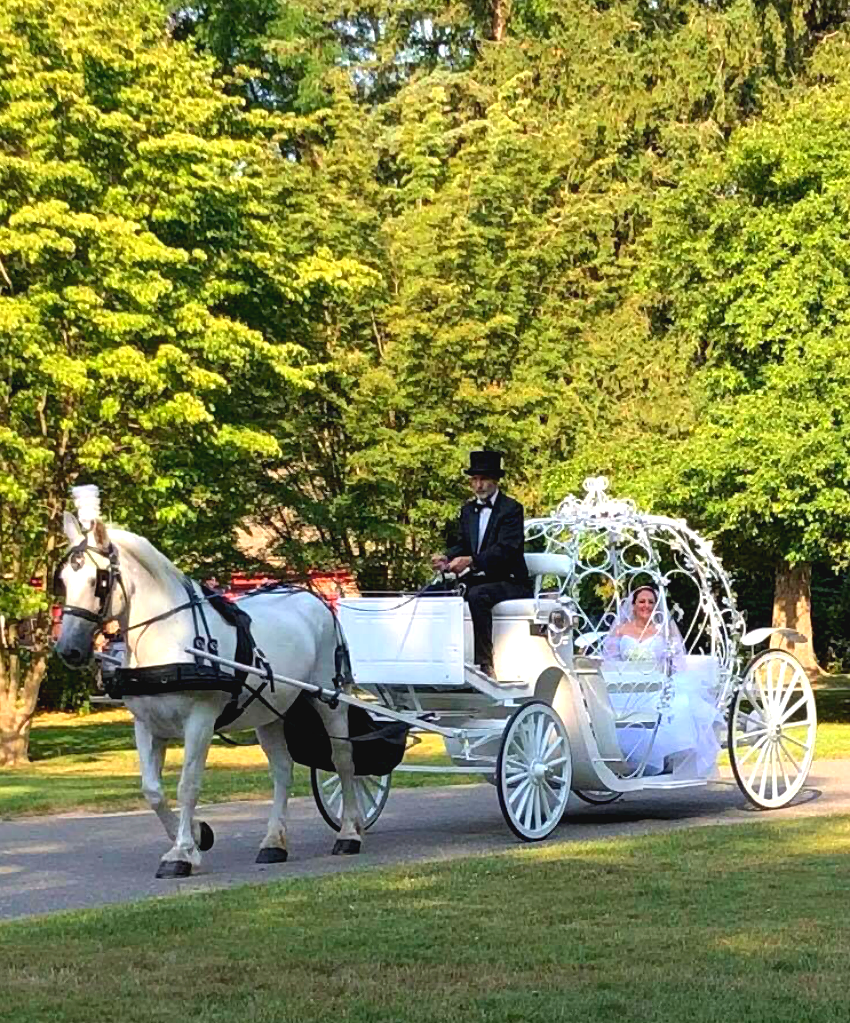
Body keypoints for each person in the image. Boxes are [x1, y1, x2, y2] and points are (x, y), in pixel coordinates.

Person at [431, 450, 531, 679]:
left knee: (478, 595)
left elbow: (506, 549)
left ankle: (484, 663)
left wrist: (472, 561)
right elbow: (463, 544)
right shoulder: (467, 510)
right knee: (436, 593)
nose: (479, 485)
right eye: (474, 480)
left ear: (495, 480)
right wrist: (446, 558)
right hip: (480, 579)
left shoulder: (512, 509)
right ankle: (441, 659)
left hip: (510, 580)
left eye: (484, 479)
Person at [603, 585, 720, 778]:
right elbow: (609, 661)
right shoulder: (620, 631)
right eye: (642, 601)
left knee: (679, 704)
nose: (646, 606)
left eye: (650, 602)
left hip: (656, 686)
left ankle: (662, 757)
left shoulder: (663, 631)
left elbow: (677, 662)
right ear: (633, 605)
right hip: (626, 687)